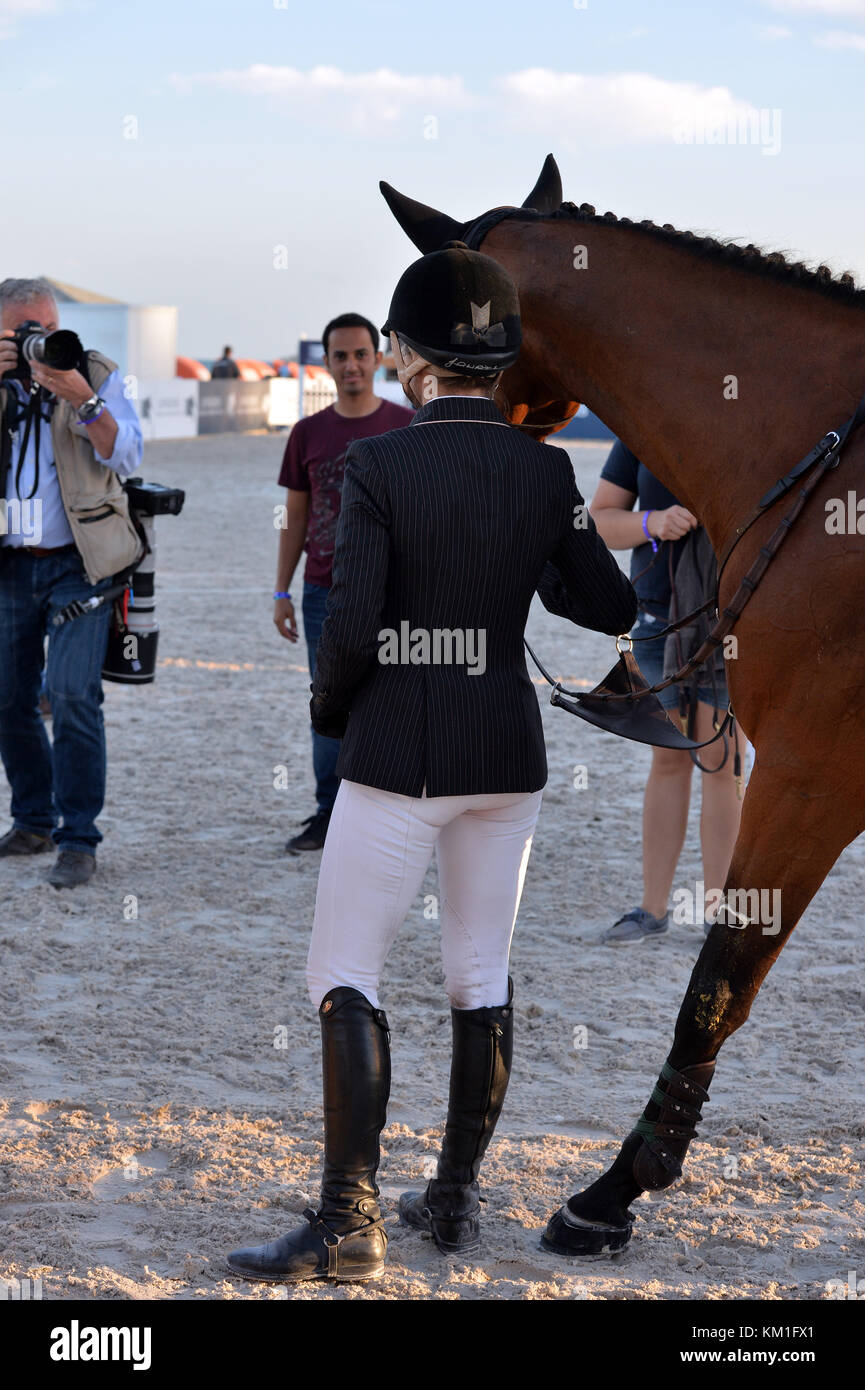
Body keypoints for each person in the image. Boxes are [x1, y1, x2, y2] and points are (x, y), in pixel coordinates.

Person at [227, 242, 637, 1285]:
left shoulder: (379, 462)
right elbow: (605, 605)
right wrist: (541, 539)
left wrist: (331, 714)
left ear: (407, 353)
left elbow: (352, 627)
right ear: (500, 356)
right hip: (506, 754)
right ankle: (451, 1195)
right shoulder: (545, 468)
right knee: (477, 972)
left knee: (343, 972)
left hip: (401, 753)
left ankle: (347, 1221)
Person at [0, 277, 143, 888]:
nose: (40, 339)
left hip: (80, 563)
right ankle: (33, 819)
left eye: (47, 326)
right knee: (8, 698)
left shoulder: (91, 370)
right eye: (23, 330)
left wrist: (83, 398)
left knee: (73, 695)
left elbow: (129, 455)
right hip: (9, 561)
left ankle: (77, 838)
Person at [590, 441, 743, 943]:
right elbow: (600, 520)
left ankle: (718, 913)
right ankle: (652, 908)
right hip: (657, 622)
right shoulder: (639, 431)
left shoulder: (745, 420)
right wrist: (651, 523)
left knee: (724, 761)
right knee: (669, 761)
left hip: (731, 623)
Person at [273, 313, 413, 853]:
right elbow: (294, 516)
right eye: (340, 356)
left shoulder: (407, 424)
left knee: (394, 701)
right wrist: (281, 591)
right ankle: (328, 814)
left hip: (395, 591)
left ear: (378, 359)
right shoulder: (307, 433)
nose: (351, 365)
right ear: (326, 363)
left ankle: (391, 815)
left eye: (361, 354)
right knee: (329, 702)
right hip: (323, 592)